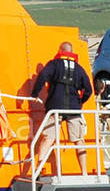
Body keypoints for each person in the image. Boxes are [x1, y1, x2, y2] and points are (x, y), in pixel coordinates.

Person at [29, 41, 93, 176]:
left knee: (48, 138)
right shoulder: (79, 69)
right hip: (74, 109)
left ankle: (39, 169)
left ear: (60, 50)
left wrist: (35, 93)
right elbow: (88, 89)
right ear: (72, 51)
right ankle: (84, 172)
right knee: (78, 140)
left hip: (54, 106)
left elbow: (42, 76)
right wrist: (80, 102)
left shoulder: (53, 65)